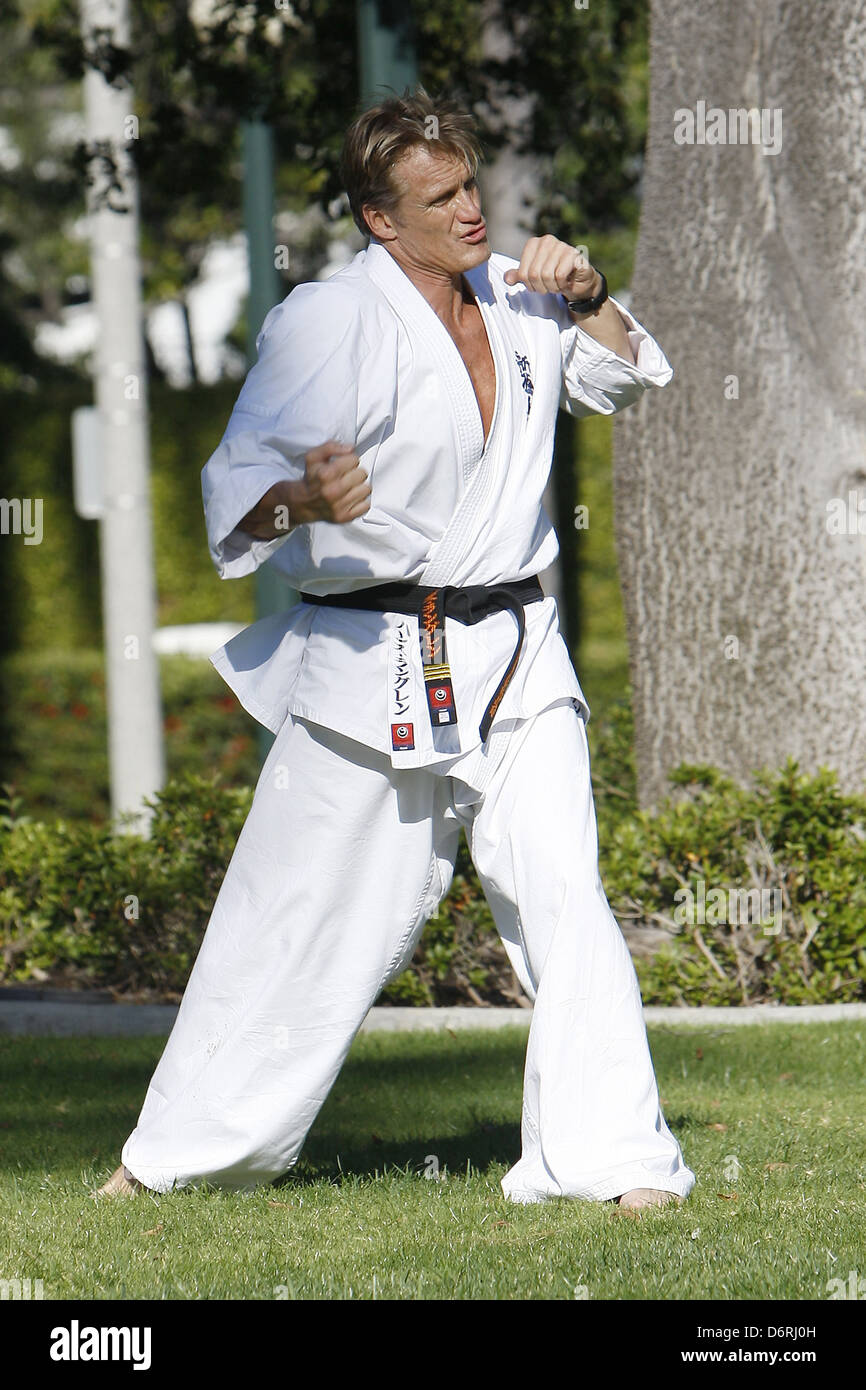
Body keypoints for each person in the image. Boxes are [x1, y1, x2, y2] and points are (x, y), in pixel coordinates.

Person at [96, 88, 695, 1212]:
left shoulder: (518, 293)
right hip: (374, 655)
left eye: (470, 185)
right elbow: (233, 499)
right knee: (295, 916)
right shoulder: (329, 319)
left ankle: (617, 1158)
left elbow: (615, 378)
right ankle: (171, 1154)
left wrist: (592, 294)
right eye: (440, 198)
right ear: (380, 219)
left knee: (564, 892)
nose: (470, 211)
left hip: (516, 647)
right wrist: (301, 496)